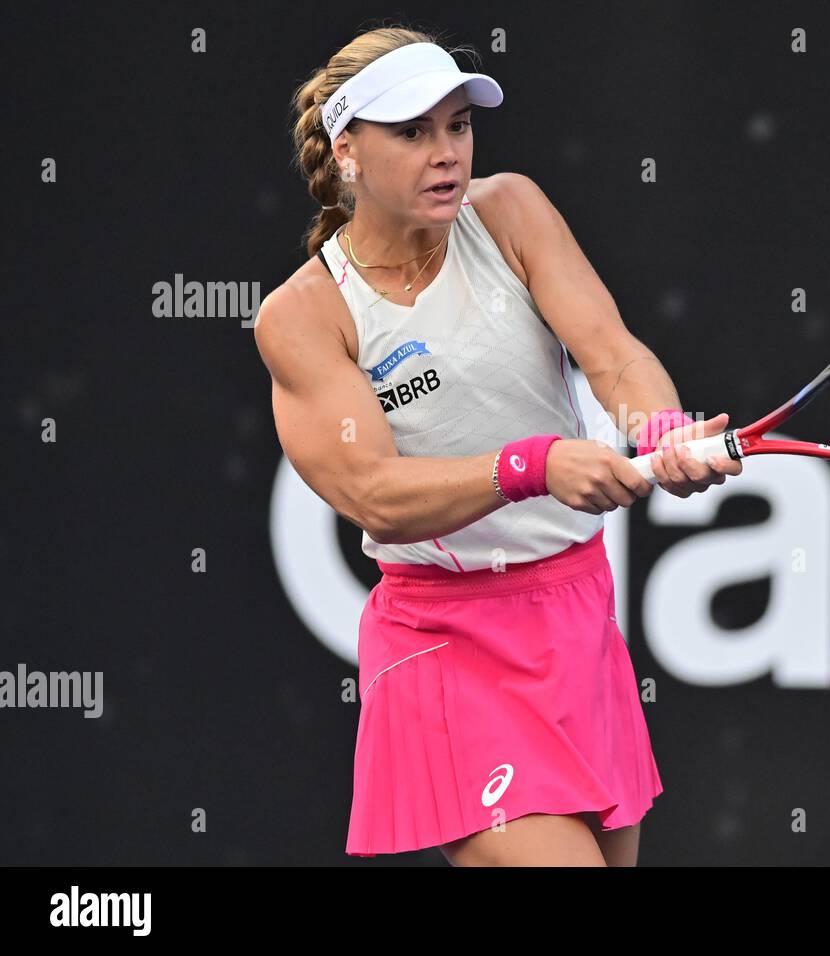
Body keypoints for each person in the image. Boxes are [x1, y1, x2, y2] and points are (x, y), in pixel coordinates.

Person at [254, 25, 742, 866]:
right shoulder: (303, 316)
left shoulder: (511, 210)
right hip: (444, 642)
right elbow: (373, 494)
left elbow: (614, 354)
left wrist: (657, 430)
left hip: (577, 619)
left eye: (458, 126)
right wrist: (530, 465)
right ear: (348, 152)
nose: (446, 153)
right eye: (412, 132)